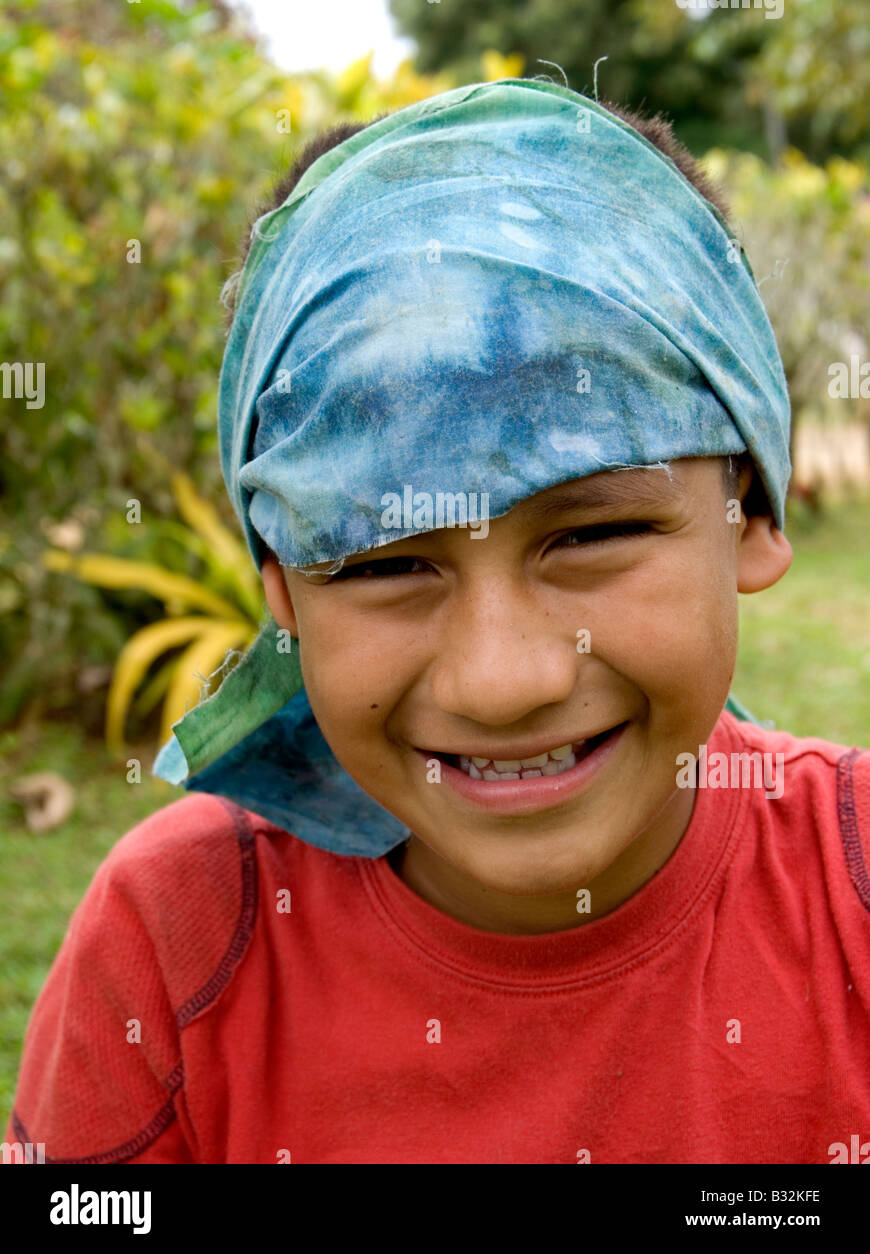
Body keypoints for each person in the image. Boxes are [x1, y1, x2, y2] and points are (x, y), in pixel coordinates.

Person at [4, 77, 869, 1165]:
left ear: (752, 511)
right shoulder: (178, 941)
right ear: (282, 590)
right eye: (386, 561)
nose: (502, 679)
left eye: (590, 535)